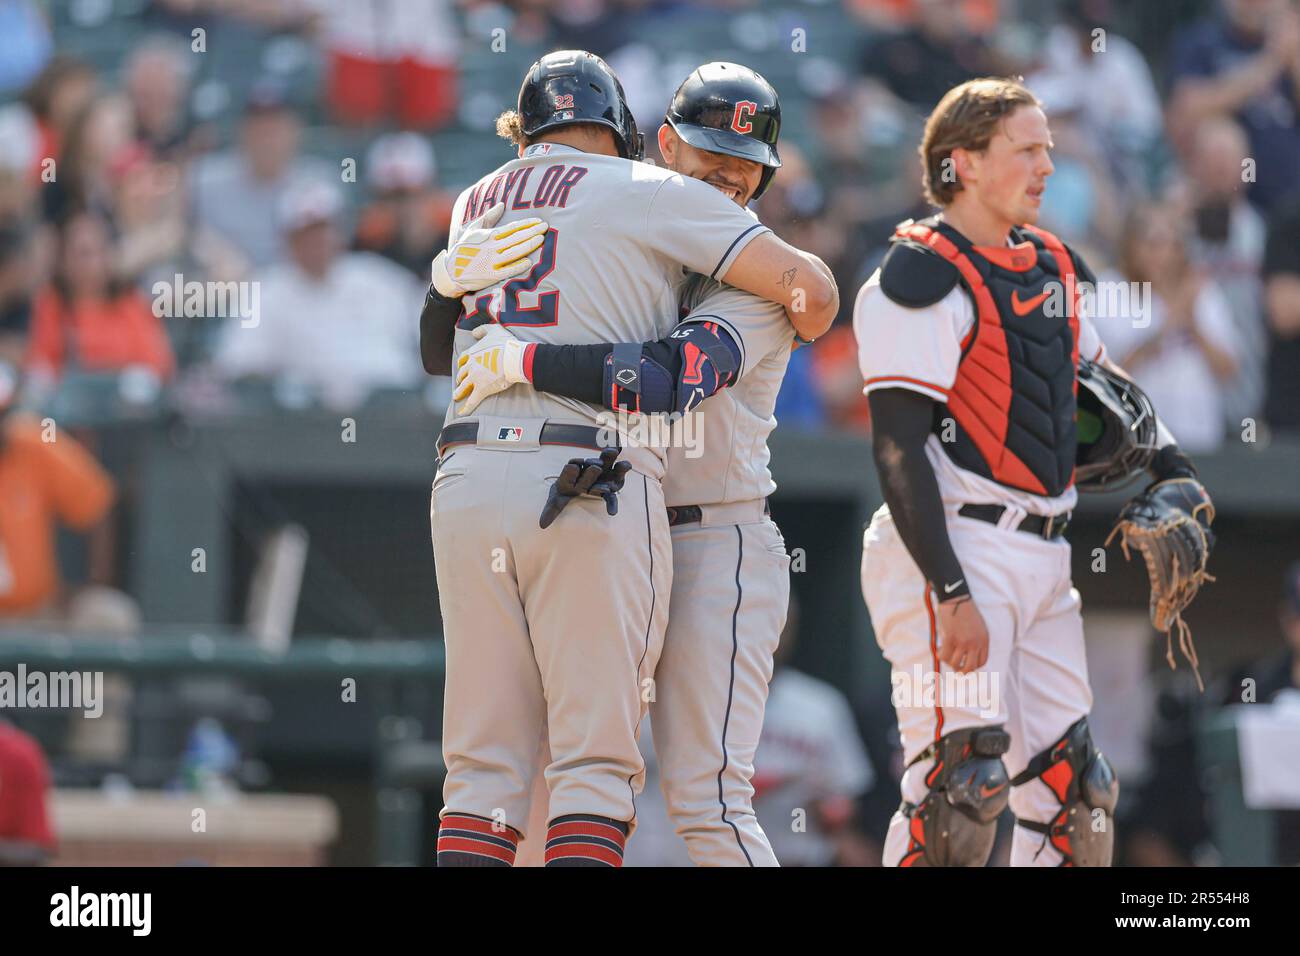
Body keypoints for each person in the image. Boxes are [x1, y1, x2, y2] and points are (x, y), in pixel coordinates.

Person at [421, 49, 837, 867]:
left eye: (747, 168)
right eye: (711, 156)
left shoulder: (743, 277)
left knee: (703, 800)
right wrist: (443, 290)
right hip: (609, 510)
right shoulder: (639, 222)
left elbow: (673, 375)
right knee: (549, 775)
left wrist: (518, 359)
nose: (728, 179)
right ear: (658, 142)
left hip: (712, 536)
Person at [852, 77, 1213, 867]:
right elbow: (897, 449)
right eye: (1027, 149)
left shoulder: (1053, 264)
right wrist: (950, 592)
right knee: (957, 793)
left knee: (1074, 793)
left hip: (1045, 550)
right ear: (965, 163)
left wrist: (1174, 471)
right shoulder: (916, 278)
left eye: (1048, 146)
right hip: (950, 546)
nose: (1048, 165)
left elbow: (1106, 393)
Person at [211, 178, 425, 407]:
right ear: (287, 239)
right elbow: (239, 367)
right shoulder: (265, 291)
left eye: (324, 229)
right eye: (306, 232)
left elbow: (434, 341)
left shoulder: (382, 279)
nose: (317, 241)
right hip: (304, 427)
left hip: (393, 417)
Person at [1094, 204, 1240, 453]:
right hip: (1134, 443)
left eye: (1172, 243)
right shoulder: (1110, 289)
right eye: (1152, 243)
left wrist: (1193, 323)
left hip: (1200, 438)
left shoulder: (1201, 291)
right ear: (1131, 245)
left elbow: (1229, 370)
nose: (1163, 253)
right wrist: (1169, 323)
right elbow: (1110, 374)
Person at [0, 360, 116, 620]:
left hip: (36, 614)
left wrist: (94, 581)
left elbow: (97, 502)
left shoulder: (33, 441)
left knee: (108, 616)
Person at [189, 80, 331, 269]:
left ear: (296, 132)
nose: (267, 139)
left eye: (275, 129)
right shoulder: (203, 179)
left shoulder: (320, 181)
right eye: (258, 128)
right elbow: (179, 236)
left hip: (296, 291)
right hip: (226, 289)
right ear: (241, 132)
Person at [25, 211, 175, 384]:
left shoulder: (131, 302)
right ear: (63, 260)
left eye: (100, 252)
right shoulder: (51, 303)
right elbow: (41, 365)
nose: (93, 264)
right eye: (83, 254)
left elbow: (158, 364)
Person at [0, 718, 55, 866]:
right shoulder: (25, 743)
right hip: (35, 844)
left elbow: (6, 817)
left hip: (20, 846)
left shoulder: (8, 751)